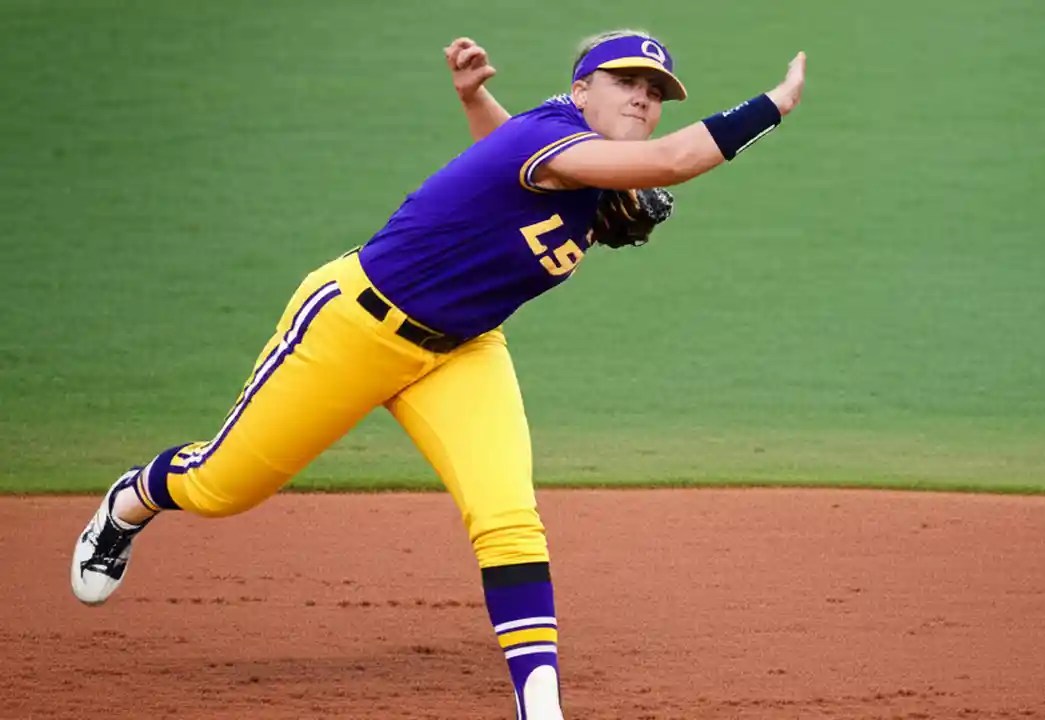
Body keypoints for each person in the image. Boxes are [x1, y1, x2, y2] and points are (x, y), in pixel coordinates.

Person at [70, 29, 806, 720]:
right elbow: (671, 161)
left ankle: (539, 706)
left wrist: (472, 101)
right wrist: (772, 106)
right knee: (224, 488)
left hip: (464, 350)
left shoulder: (569, 157)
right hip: (353, 327)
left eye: (655, 90)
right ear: (580, 90)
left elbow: (502, 163)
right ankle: (132, 500)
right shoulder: (555, 142)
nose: (644, 98)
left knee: (508, 515)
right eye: (626, 82)